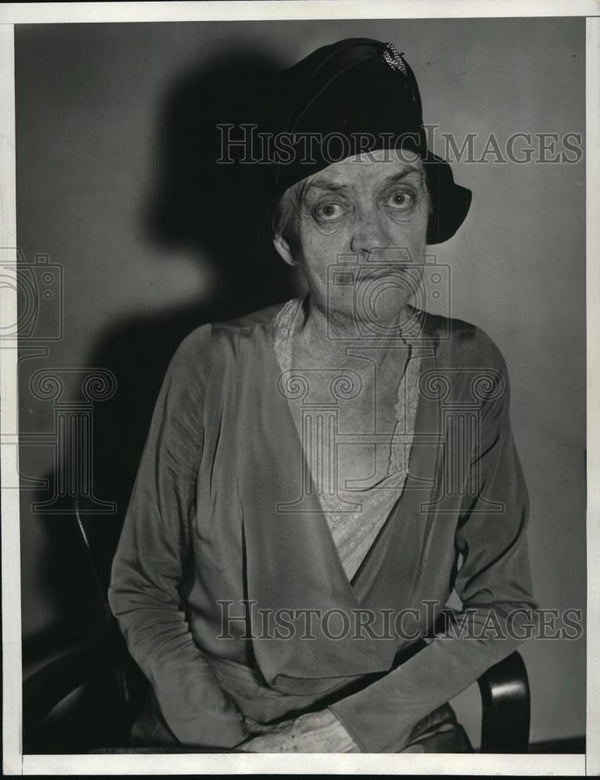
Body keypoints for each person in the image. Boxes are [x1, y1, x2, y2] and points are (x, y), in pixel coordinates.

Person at [108, 38, 537, 753]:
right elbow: (142, 590)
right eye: (331, 209)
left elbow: (505, 605)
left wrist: (344, 733)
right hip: (215, 727)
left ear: (428, 211)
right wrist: (233, 749)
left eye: (398, 197)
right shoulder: (211, 365)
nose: (373, 240)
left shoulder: (471, 370)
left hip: (388, 725)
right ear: (288, 239)